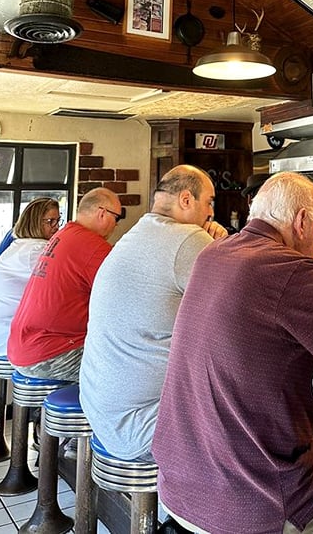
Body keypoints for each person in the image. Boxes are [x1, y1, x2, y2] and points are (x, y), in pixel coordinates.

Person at [152, 171, 313, 534]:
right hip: (249, 500)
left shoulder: (212, 255)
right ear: (301, 221)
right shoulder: (295, 273)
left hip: (178, 483)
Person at [80, 165, 226, 460]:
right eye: (209, 202)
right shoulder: (188, 239)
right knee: (246, 416)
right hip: (142, 423)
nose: (211, 213)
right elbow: (234, 305)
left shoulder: (137, 233)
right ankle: (180, 505)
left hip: (100, 407)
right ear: (186, 200)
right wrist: (219, 245)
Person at [7, 186, 122, 382]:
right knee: (136, 369)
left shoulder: (64, 235)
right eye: (117, 218)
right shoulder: (92, 245)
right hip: (50, 351)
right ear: (102, 213)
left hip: (24, 346)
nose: (116, 226)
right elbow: (123, 297)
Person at [0, 198, 61, 357]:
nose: (57, 227)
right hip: (11, 341)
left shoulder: (18, 246)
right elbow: (64, 286)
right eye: (50, 221)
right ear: (34, 222)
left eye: (58, 220)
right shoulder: (38, 250)